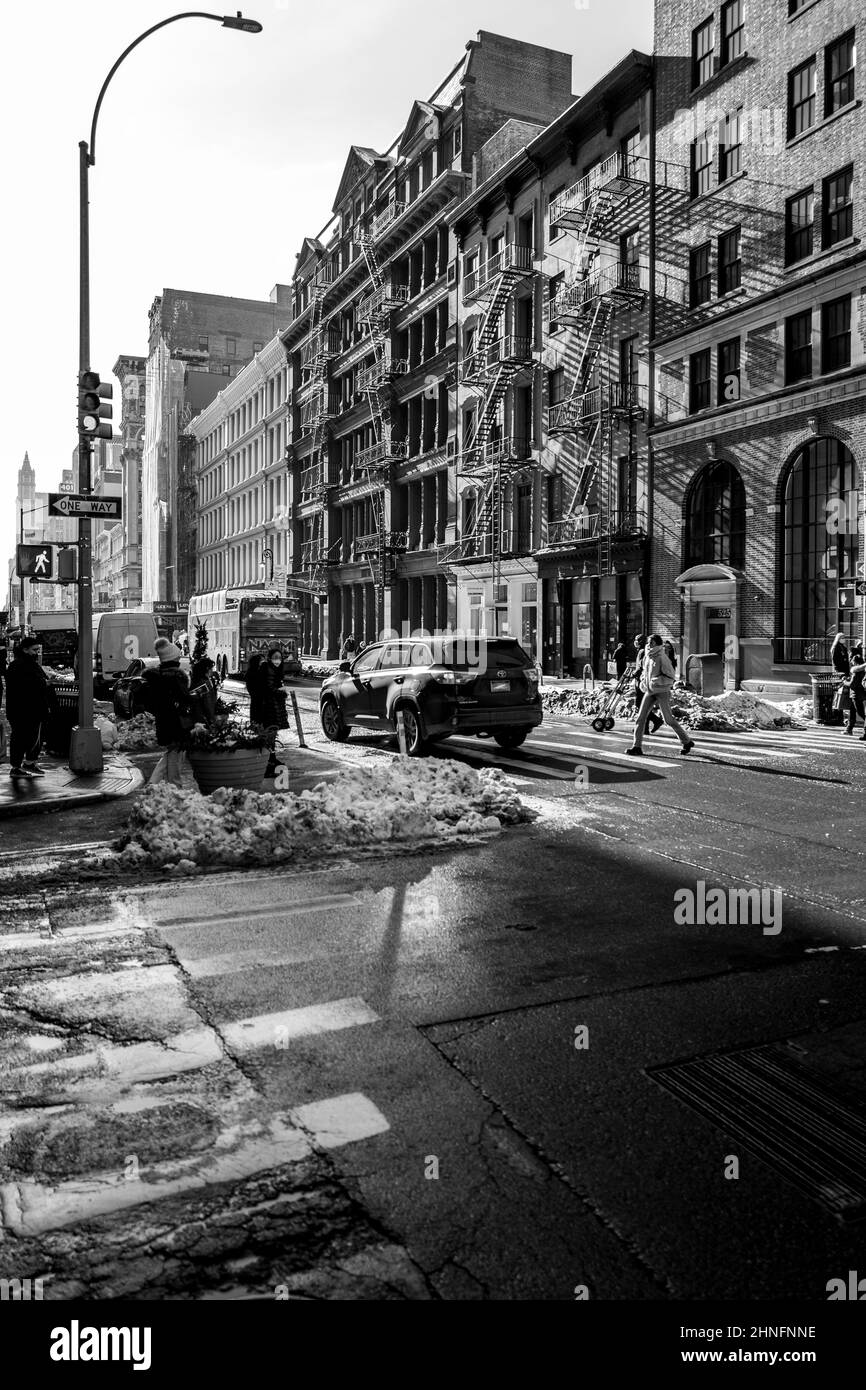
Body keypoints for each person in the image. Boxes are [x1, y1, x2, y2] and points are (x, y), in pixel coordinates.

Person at [627, 635, 695, 757]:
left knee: (668, 720)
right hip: (649, 691)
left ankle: (687, 741)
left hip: (662, 691)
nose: (649, 644)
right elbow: (644, 672)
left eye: (651, 642)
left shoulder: (662, 657)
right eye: (648, 642)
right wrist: (644, 681)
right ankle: (636, 747)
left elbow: (670, 677)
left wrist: (655, 681)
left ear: (657, 644)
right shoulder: (648, 656)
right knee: (640, 718)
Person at [140, 639, 191, 787]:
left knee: (172, 753)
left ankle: (153, 784)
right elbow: (184, 699)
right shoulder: (175, 678)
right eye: (178, 657)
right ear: (173, 659)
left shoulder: (158, 678)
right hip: (176, 722)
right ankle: (174, 785)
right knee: (176, 754)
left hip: (165, 721)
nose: (179, 659)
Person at [5, 636, 52, 779]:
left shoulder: (20, 664)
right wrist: (45, 683)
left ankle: (28, 764)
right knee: (24, 738)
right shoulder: (23, 665)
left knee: (28, 737)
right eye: (34, 650)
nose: (36, 653)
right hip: (26, 710)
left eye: (37, 650)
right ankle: (17, 768)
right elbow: (30, 685)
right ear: (25, 649)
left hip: (22, 709)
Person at [249, 647, 289, 779]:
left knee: (270, 736)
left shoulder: (273, 670)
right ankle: (267, 764)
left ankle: (271, 760)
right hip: (268, 709)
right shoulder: (268, 670)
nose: (278, 660)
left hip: (270, 708)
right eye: (275, 657)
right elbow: (268, 688)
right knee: (268, 735)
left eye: (280, 657)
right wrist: (281, 693)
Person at [632, 633, 663, 736]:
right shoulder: (642, 651)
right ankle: (644, 727)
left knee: (640, 705)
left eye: (637, 640)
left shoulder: (642, 652)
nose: (635, 642)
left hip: (642, 682)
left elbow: (641, 666)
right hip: (642, 681)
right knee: (641, 706)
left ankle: (649, 723)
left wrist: (635, 673)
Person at [845, 642, 865, 739]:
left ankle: (849, 728)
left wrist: (844, 682)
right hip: (857, 694)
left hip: (856, 694)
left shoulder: (856, 672)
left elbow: (852, 684)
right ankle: (849, 728)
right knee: (853, 710)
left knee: (860, 712)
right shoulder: (860, 670)